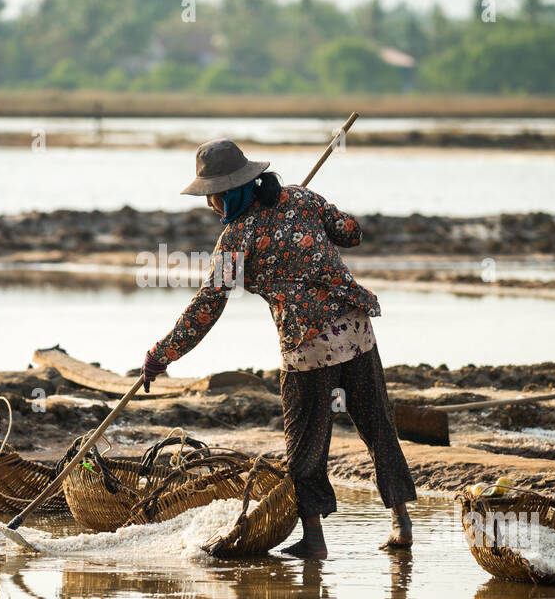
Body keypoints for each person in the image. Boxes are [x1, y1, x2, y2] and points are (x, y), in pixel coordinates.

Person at [142, 138, 415, 559]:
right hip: (354, 329)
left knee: (305, 443)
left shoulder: (236, 238)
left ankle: (315, 541)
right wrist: (309, 216)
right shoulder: (304, 199)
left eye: (212, 197)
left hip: (307, 346)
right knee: (378, 426)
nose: (211, 205)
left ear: (226, 193)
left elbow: (208, 306)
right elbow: (352, 234)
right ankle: (401, 524)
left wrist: (161, 355)